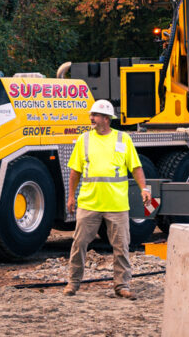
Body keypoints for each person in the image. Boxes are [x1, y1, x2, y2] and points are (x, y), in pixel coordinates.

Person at [65, 99, 150, 298]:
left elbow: (135, 167)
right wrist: (71, 196)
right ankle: (73, 283)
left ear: (106, 118)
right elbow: (75, 171)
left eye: (95, 115)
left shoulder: (123, 139)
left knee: (121, 247)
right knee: (79, 244)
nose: (91, 118)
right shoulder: (84, 140)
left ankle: (122, 286)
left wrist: (144, 188)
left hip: (117, 204)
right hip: (89, 202)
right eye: (91, 115)